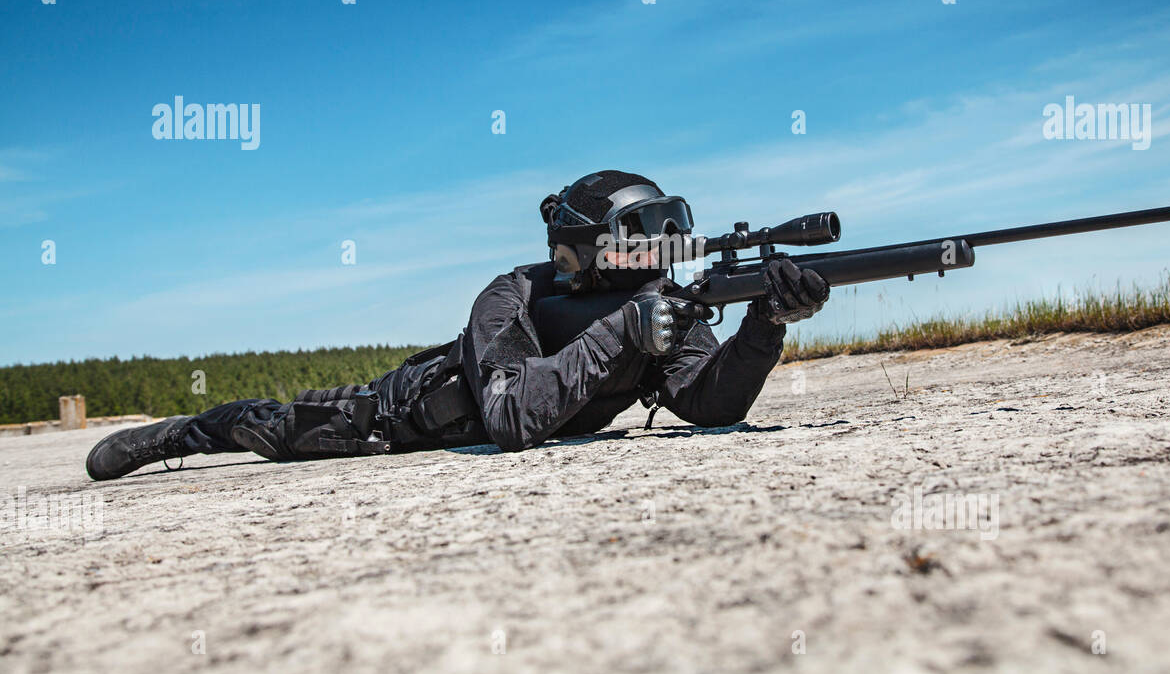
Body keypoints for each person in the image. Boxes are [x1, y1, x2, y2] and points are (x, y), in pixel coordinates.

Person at [85, 171, 830, 480]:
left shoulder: (655, 303)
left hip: (515, 388)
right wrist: (621, 335)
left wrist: (764, 325)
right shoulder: (508, 297)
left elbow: (710, 405)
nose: (655, 251)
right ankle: (181, 433)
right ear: (587, 249)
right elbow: (508, 419)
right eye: (638, 234)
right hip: (390, 418)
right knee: (270, 429)